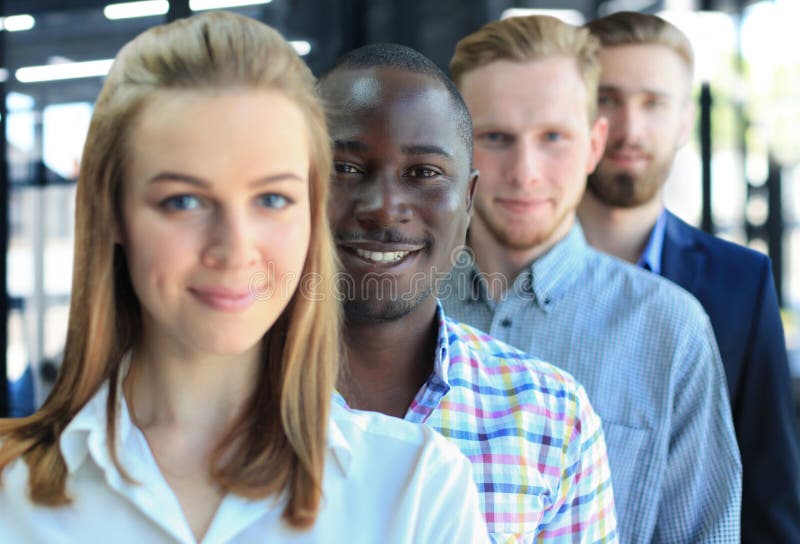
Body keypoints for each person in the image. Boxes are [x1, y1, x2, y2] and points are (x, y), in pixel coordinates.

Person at [0, 12, 489, 544]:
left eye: (272, 198)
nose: (234, 248)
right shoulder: (11, 490)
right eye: (183, 201)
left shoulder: (416, 488)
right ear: (112, 212)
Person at [442, 14, 742, 542]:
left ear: (595, 144)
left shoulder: (670, 329)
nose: (525, 171)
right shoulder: (392, 308)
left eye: (553, 136)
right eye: (496, 137)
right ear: (455, 142)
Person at [320, 43, 617, 542]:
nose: (383, 207)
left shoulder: (550, 417)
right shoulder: (218, 394)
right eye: (345, 168)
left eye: (424, 174)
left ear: (469, 202)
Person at [580, 11, 800, 542]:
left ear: (684, 121)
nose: (630, 128)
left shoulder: (740, 282)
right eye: (607, 99)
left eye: (653, 102)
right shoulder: (510, 270)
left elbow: (768, 487)